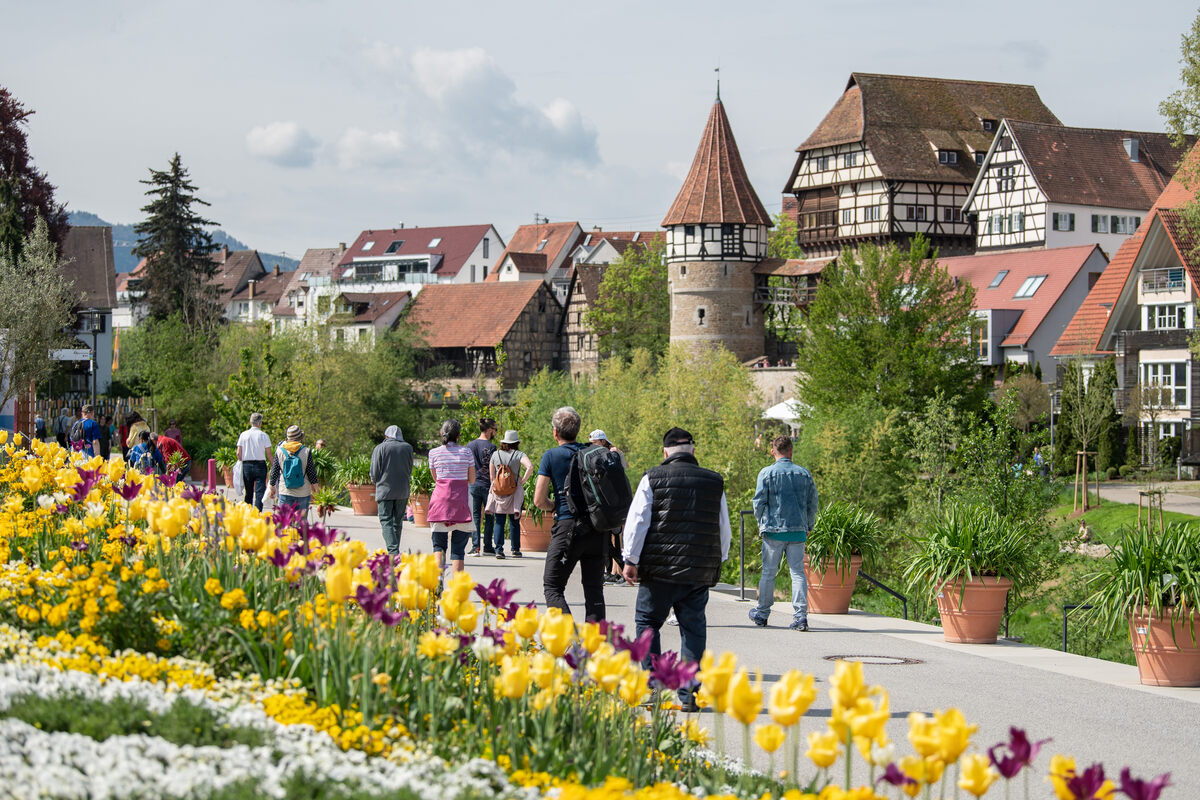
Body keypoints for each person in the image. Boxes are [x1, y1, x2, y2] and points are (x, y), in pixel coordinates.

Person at [622, 427, 731, 711]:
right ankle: (689, 696)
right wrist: (718, 560)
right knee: (693, 629)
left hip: (658, 571)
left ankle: (654, 687)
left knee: (647, 623)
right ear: (693, 451)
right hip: (697, 571)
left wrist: (630, 560)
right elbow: (724, 529)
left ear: (665, 453)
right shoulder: (714, 481)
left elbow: (638, 522)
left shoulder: (652, 478)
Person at [535, 406, 606, 622]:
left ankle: (569, 641)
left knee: (553, 585)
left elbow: (539, 500)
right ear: (578, 431)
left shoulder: (551, 456)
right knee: (594, 591)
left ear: (555, 432)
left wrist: (554, 506)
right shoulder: (593, 453)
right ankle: (595, 647)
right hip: (597, 528)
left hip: (568, 528)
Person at [749, 435, 818, 632]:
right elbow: (812, 503)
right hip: (798, 531)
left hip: (773, 530)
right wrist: (809, 525)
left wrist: (761, 522)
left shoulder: (766, 473)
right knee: (797, 573)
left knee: (769, 572)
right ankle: (800, 617)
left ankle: (762, 613)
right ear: (791, 451)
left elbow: (758, 503)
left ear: (773, 452)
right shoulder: (804, 474)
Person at [427, 419, 475, 574]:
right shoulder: (467, 452)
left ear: (442, 434)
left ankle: (437, 586)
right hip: (461, 503)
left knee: (438, 546)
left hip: (440, 503)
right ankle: (456, 592)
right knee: (458, 551)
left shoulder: (433, 453)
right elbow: (472, 479)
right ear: (459, 436)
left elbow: (436, 478)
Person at [484, 430, 534, 559]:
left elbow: (491, 475)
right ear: (516, 442)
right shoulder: (519, 454)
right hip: (514, 489)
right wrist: (522, 480)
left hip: (498, 490)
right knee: (514, 521)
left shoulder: (495, 455)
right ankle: (515, 550)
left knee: (499, 521)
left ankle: (499, 549)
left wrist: (496, 484)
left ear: (504, 442)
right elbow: (530, 467)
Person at [589, 429, 628, 585]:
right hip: (613, 500)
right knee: (611, 538)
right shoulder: (612, 453)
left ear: (603, 442)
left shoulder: (612, 453)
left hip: (614, 501)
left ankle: (619, 572)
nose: (592, 446)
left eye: (594, 443)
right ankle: (613, 572)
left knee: (616, 538)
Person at [371, 425, 414, 555]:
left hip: (385, 490)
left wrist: (376, 482)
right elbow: (410, 468)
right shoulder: (408, 448)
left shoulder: (380, 448)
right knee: (397, 522)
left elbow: (374, 471)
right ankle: (394, 550)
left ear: (386, 436)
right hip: (402, 491)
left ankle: (393, 551)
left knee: (386, 520)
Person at [268, 425, 319, 516]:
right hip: (303, 493)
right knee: (301, 525)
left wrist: (272, 487)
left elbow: (274, 471)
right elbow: (311, 473)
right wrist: (316, 489)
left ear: (287, 438)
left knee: (285, 523)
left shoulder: (279, 451)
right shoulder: (306, 451)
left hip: (285, 491)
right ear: (300, 438)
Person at [467, 418, 497, 555]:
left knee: (475, 516)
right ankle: (488, 547)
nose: (496, 432)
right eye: (495, 429)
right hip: (488, 485)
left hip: (473, 484)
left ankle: (475, 547)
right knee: (489, 516)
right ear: (489, 429)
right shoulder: (492, 447)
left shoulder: (470, 445)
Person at [237, 412, 273, 511]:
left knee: (248, 492)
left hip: (247, 465)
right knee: (259, 492)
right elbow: (269, 454)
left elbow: (238, 454)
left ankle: (247, 513)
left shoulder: (243, 435)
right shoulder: (264, 435)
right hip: (260, 465)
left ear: (250, 422)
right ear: (260, 423)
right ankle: (257, 513)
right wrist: (274, 465)